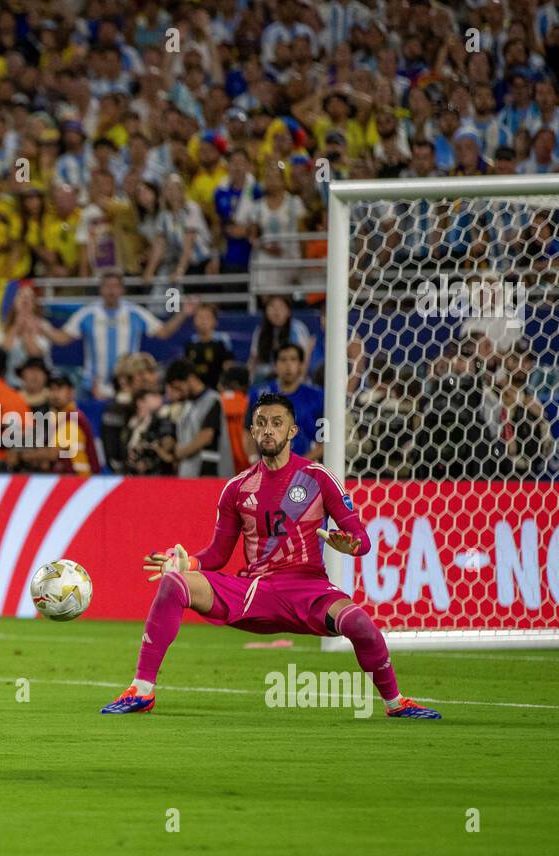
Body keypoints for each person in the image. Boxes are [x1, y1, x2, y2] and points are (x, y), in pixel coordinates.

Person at [100, 392, 441, 720]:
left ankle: (395, 702)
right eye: (261, 422)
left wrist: (351, 545)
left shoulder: (318, 478)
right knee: (174, 584)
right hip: (254, 591)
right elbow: (218, 554)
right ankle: (141, 690)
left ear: (292, 431)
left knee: (359, 624)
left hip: (307, 590)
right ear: (252, 431)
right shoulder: (236, 488)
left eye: (277, 423)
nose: (268, 429)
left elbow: (360, 537)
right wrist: (186, 564)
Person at [40, 271, 190, 399]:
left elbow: (163, 332)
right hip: (92, 387)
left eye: (115, 287)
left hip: (129, 386)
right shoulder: (87, 314)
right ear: (100, 289)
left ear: (122, 289)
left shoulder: (135, 313)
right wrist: (40, 327)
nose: (111, 291)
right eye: (107, 287)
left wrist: (183, 314)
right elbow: (62, 338)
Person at [164, 359, 231, 477]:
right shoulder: (188, 405)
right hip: (189, 473)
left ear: (190, 379)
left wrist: (180, 453)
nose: (179, 392)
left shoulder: (212, 400)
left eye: (179, 387)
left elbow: (206, 436)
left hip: (209, 474)